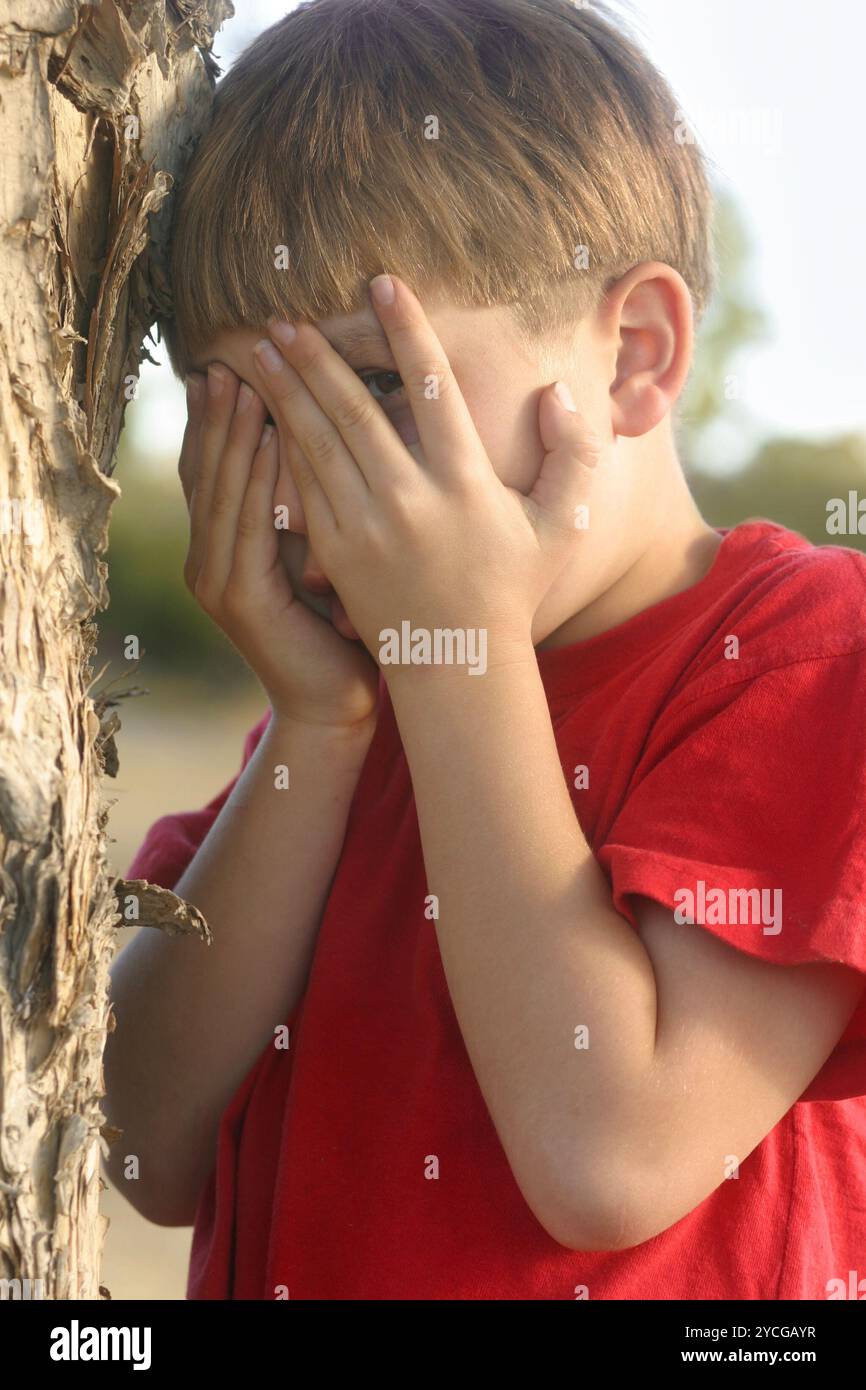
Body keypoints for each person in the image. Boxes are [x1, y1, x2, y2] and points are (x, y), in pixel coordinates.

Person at [104, 0, 866, 1300]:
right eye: (245, 419)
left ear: (633, 355)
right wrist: (317, 730)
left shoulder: (808, 657)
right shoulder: (338, 719)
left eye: (374, 391)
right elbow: (136, 1150)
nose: (303, 496)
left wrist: (456, 656)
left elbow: (606, 1154)